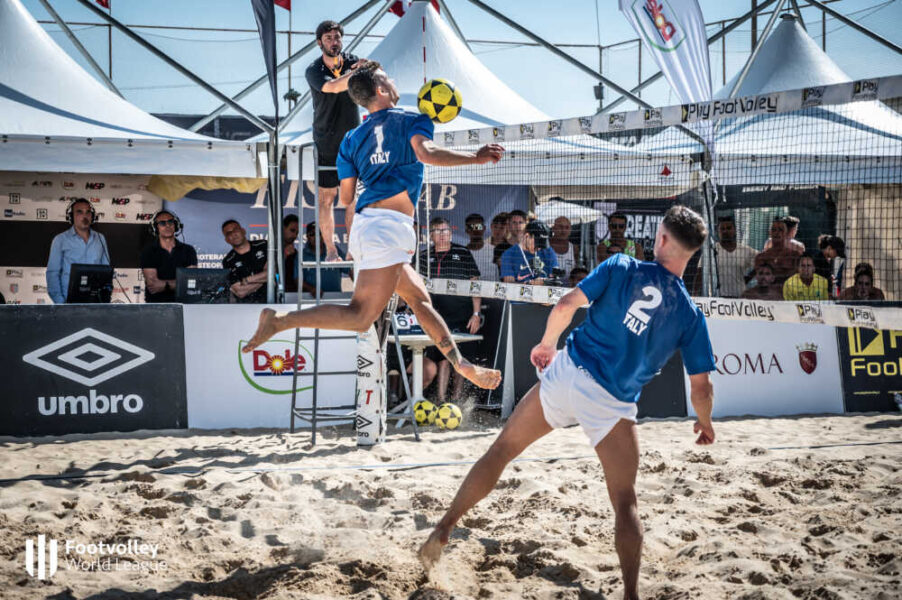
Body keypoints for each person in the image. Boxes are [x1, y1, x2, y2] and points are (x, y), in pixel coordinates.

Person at [419, 206, 717, 600]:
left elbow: (565, 305)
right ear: (692, 253)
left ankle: (444, 528)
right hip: (612, 403)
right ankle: (630, 593)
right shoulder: (691, 316)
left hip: (568, 374)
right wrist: (705, 421)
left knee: (502, 450)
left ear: (661, 240)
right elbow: (701, 387)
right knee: (625, 501)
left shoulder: (622, 265)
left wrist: (546, 344)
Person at [242, 63, 504, 395]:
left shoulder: (351, 139)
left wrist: (377, 171)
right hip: (387, 229)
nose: (394, 82)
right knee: (360, 316)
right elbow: (427, 153)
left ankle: (461, 365)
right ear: (381, 89)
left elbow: (347, 196)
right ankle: (280, 322)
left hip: (370, 227)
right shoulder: (412, 119)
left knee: (421, 302)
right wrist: (474, 158)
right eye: (389, 79)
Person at [306, 20, 372, 262]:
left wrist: (369, 69)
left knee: (351, 199)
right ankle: (332, 251)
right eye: (329, 38)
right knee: (326, 198)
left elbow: (370, 77)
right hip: (325, 140)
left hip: (352, 140)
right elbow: (332, 87)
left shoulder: (351, 59)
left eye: (337, 37)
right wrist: (356, 73)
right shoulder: (313, 69)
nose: (334, 42)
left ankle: (353, 250)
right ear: (319, 42)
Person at [418, 217, 483, 403]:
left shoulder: (463, 253)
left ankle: (456, 400)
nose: (441, 235)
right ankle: (440, 400)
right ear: (430, 235)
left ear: (451, 233)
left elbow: (475, 283)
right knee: (443, 358)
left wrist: (476, 314)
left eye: (445, 230)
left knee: (460, 358)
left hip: (462, 315)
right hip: (435, 315)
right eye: (437, 231)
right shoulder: (423, 256)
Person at [46, 198, 110, 304]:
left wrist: (104, 299)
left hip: (94, 302)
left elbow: (106, 271)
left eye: (88, 212)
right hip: (68, 302)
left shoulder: (100, 238)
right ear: (71, 217)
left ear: (92, 217)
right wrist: (61, 303)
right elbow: (53, 273)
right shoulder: (60, 240)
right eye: (79, 212)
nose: (85, 216)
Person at [140, 210, 197, 302]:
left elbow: (191, 283)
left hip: (183, 303)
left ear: (176, 226)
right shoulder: (148, 252)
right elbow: (153, 285)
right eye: (162, 223)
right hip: (157, 305)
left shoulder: (189, 250)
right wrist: (180, 283)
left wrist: (165, 285)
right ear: (155, 228)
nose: (167, 226)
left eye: (170, 222)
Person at [222, 219, 268, 303]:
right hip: (246, 307)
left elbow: (271, 273)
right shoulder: (228, 261)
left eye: (236, 230)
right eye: (229, 233)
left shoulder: (263, 245)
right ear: (227, 240)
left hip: (272, 301)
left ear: (243, 231)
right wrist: (264, 279)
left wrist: (247, 280)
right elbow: (240, 292)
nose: (233, 234)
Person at [500, 219, 558, 285]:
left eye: (542, 245)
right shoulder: (509, 254)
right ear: (527, 236)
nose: (539, 248)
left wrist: (549, 280)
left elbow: (555, 278)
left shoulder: (548, 251)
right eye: (537, 244)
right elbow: (509, 284)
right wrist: (531, 284)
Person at [301, 222, 348, 296]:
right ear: (307, 236)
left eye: (319, 233)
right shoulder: (301, 255)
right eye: (312, 234)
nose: (316, 237)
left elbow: (350, 269)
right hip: (310, 299)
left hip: (336, 298)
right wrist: (311, 289)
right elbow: (297, 280)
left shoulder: (335, 251)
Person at [714, 216, 756, 298]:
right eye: (722, 229)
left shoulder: (745, 250)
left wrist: (747, 279)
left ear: (735, 230)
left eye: (729, 228)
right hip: (718, 299)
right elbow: (700, 273)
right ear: (718, 232)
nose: (725, 231)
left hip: (740, 298)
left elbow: (762, 262)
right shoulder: (712, 250)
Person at [754, 218, 799, 286]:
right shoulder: (761, 257)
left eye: (780, 230)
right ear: (770, 232)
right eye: (774, 230)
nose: (777, 233)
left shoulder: (794, 255)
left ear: (786, 233)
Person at [464, 213, 497, 282]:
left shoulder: (495, 251)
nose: (475, 230)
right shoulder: (462, 253)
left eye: (478, 226)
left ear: (484, 228)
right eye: (471, 227)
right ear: (466, 230)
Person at [282, 214, 300, 293]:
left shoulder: (295, 254)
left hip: (291, 298)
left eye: (297, 233)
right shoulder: (269, 249)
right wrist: (285, 254)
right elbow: (271, 272)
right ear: (283, 228)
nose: (294, 235)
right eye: (292, 230)